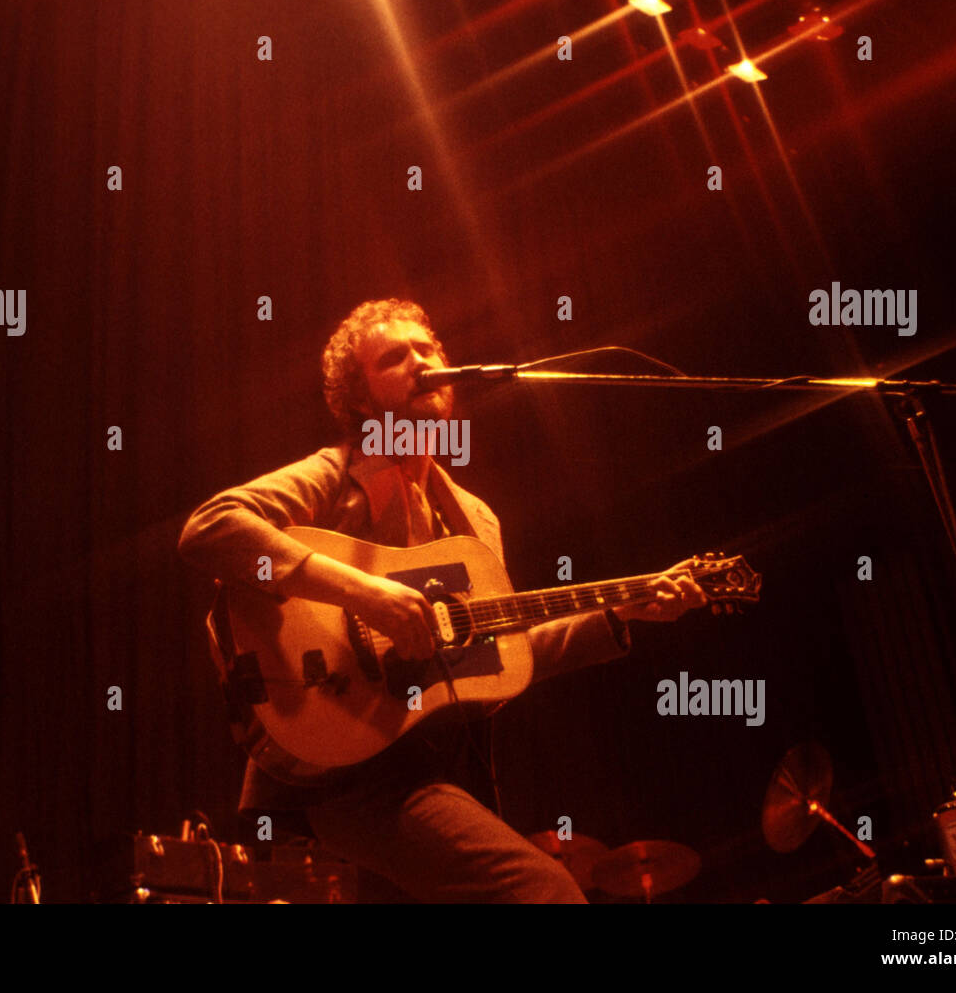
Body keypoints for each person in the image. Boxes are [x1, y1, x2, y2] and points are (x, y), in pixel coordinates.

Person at [178, 298, 706, 902]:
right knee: (544, 892)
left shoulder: (475, 519)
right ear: (359, 399)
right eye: (394, 358)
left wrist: (620, 611)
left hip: (428, 763)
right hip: (344, 765)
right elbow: (211, 528)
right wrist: (363, 593)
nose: (420, 362)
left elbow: (500, 650)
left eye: (427, 350)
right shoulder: (335, 473)